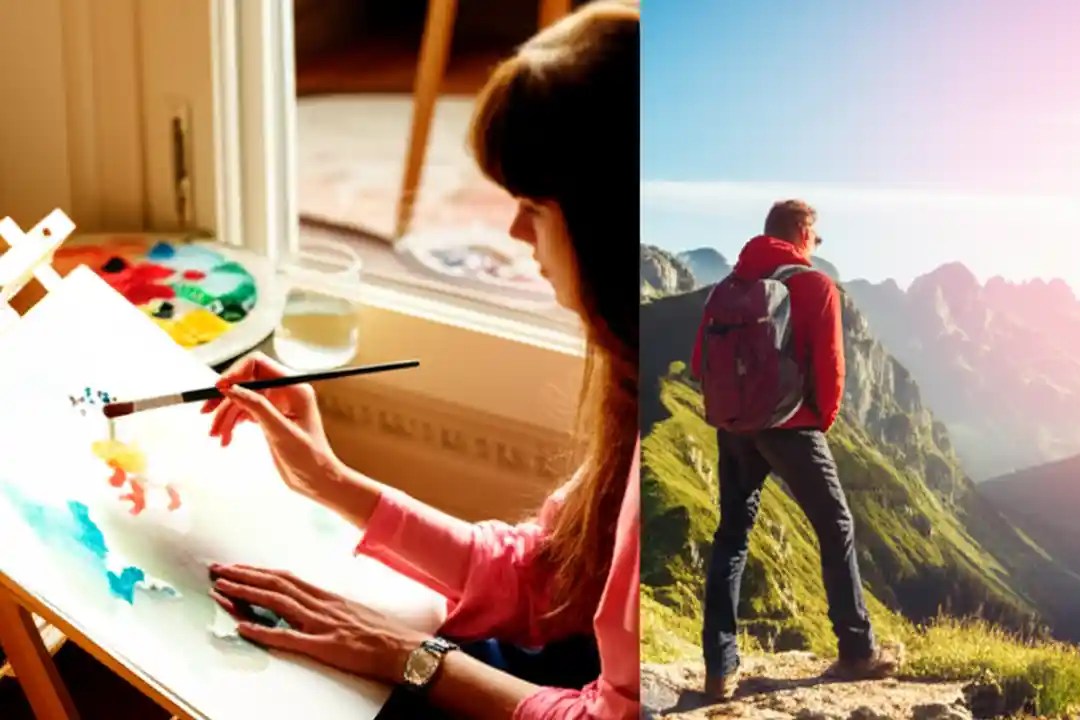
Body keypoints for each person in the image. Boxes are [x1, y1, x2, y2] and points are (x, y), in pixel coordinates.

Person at [200, 3, 639, 718]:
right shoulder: (644, 366)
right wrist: (329, 479)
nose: (512, 230)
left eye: (533, 205)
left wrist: (402, 653)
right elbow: (548, 577)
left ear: (606, 226)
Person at [690, 199, 901, 699]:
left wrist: (737, 412)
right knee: (836, 527)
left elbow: (701, 361)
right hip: (792, 427)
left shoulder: (726, 289)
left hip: (735, 425)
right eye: (817, 238)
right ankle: (857, 651)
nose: (816, 247)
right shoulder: (814, 286)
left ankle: (719, 669)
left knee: (733, 537)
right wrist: (816, 423)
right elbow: (830, 371)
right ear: (803, 234)